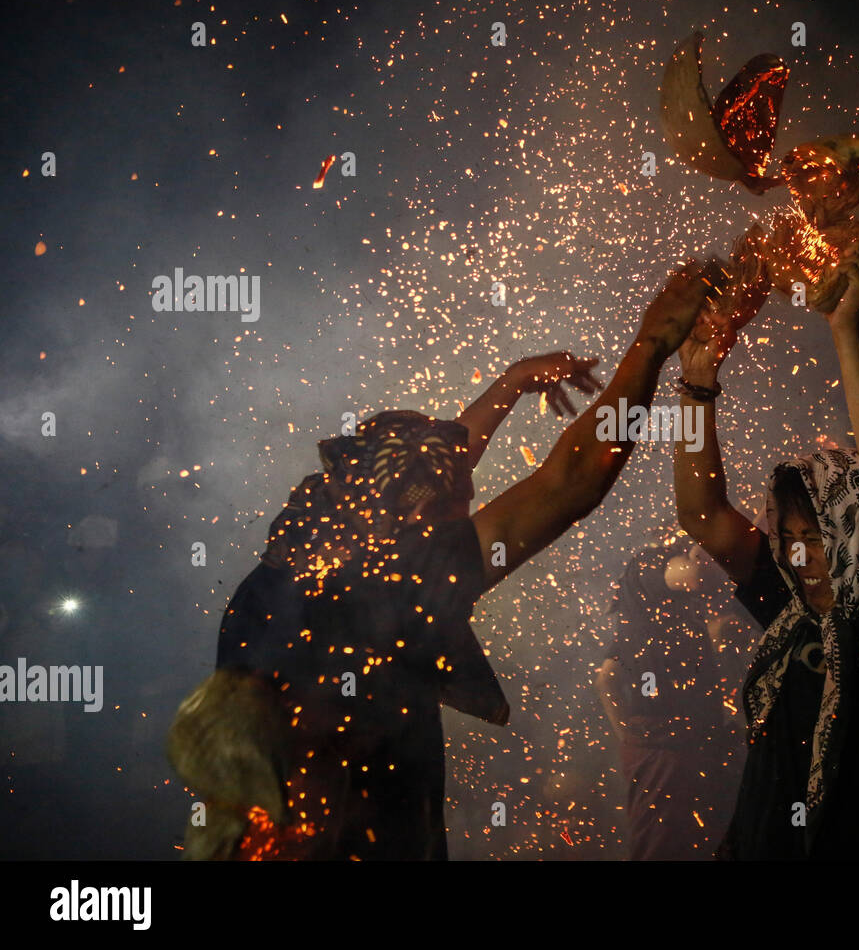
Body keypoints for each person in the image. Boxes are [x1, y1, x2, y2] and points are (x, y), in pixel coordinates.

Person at [169, 260, 718, 860]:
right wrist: (652, 345)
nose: (466, 516)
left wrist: (509, 386)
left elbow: (414, 477)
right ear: (410, 517)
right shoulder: (386, 583)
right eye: (453, 510)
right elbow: (573, 482)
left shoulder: (286, 573)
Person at [673, 239, 859, 859]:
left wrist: (847, 332)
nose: (796, 558)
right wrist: (697, 385)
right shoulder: (794, 614)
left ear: (858, 532)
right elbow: (700, 514)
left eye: (815, 539)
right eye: (787, 541)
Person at [594, 542, 747, 859]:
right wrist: (632, 738)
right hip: (666, 751)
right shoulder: (649, 563)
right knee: (665, 846)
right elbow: (693, 575)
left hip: (690, 745)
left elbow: (607, 676)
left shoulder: (658, 617)